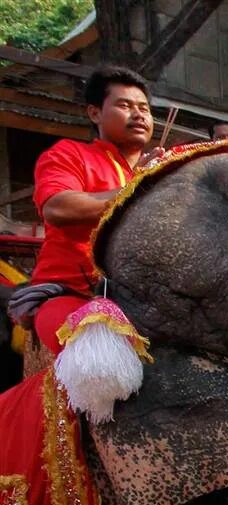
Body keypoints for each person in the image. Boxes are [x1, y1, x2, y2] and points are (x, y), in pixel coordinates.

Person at [12, 66, 154, 355]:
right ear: (94, 113)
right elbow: (58, 207)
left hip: (146, 298)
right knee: (99, 360)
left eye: (145, 108)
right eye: (124, 105)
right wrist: (136, 189)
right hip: (72, 292)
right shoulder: (68, 154)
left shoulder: (162, 167)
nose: (139, 114)